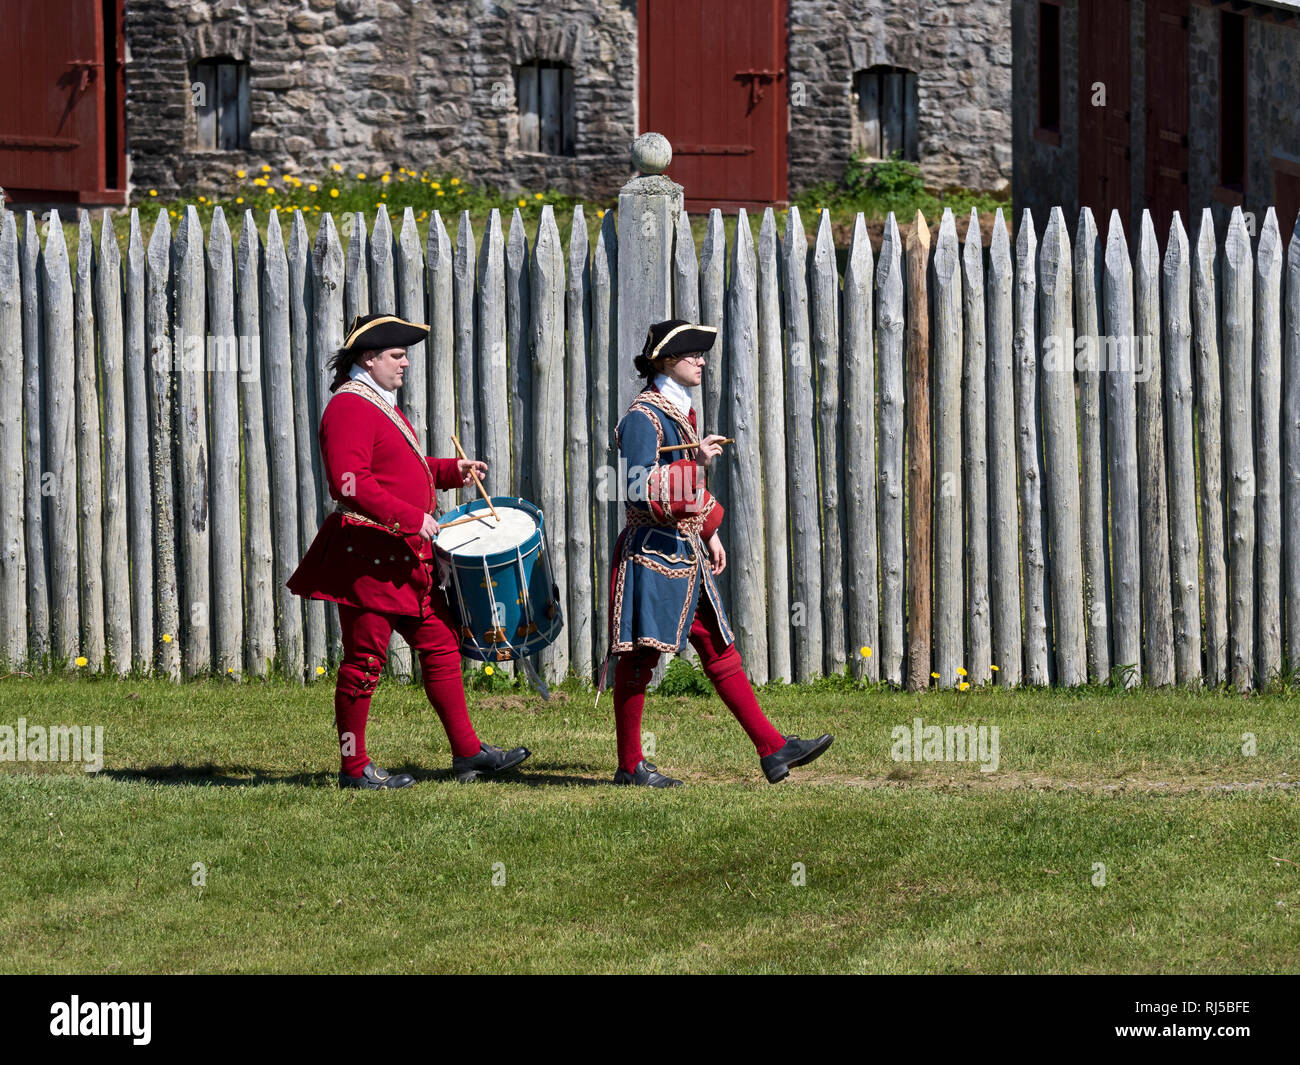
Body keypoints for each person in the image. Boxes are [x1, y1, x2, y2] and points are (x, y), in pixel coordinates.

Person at [287, 313, 530, 788]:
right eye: (397, 356)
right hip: (368, 559)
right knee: (363, 664)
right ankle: (353, 769)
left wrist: (447, 470)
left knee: (439, 645)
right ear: (369, 358)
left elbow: (402, 468)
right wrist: (412, 518)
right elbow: (349, 482)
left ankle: (468, 754)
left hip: (402, 558)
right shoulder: (350, 407)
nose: (405, 365)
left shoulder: (379, 404)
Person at [598, 319, 833, 786]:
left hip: (684, 551)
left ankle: (772, 749)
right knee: (640, 659)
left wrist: (709, 531)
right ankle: (629, 766)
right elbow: (638, 489)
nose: (702, 362)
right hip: (651, 553)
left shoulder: (679, 412)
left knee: (720, 649)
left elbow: (682, 488)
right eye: (693, 356)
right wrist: (695, 464)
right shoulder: (642, 418)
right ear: (667, 362)